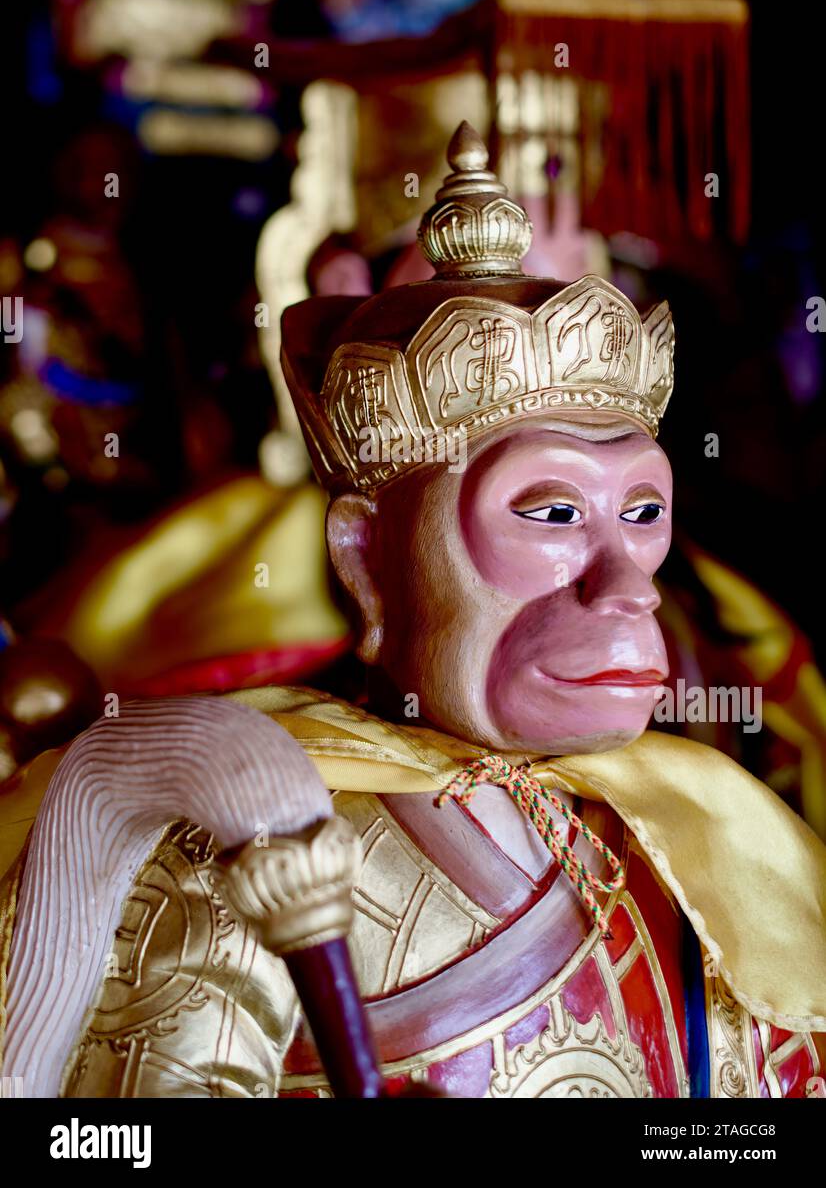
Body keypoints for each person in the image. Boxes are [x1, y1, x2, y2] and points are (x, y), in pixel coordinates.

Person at [1, 125, 824, 1098]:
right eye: (551, 511)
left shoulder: (709, 849)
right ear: (364, 561)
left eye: (640, 513)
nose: (625, 584)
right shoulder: (239, 857)